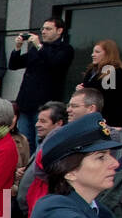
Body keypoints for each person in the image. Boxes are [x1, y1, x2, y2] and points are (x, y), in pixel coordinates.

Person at [9, 17, 74, 147]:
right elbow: (14, 65)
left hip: (46, 105)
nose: (44, 32)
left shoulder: (65, 49)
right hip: (26, 103)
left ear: (59, 30)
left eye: (48, 29)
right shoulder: (36, 50)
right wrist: (17, 48)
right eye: (43, 29)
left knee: (43, 143)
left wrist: (39, 46)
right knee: (25, 143)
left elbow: (55, 64)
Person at [76, 40, 122, 128]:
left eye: (97, 52)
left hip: (107, 120)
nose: (93, 55)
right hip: (92, 118)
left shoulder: (111, 71)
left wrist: (85, 91)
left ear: (108, 54)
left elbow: (108, 97)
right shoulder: (92, 70)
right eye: (93, 52)